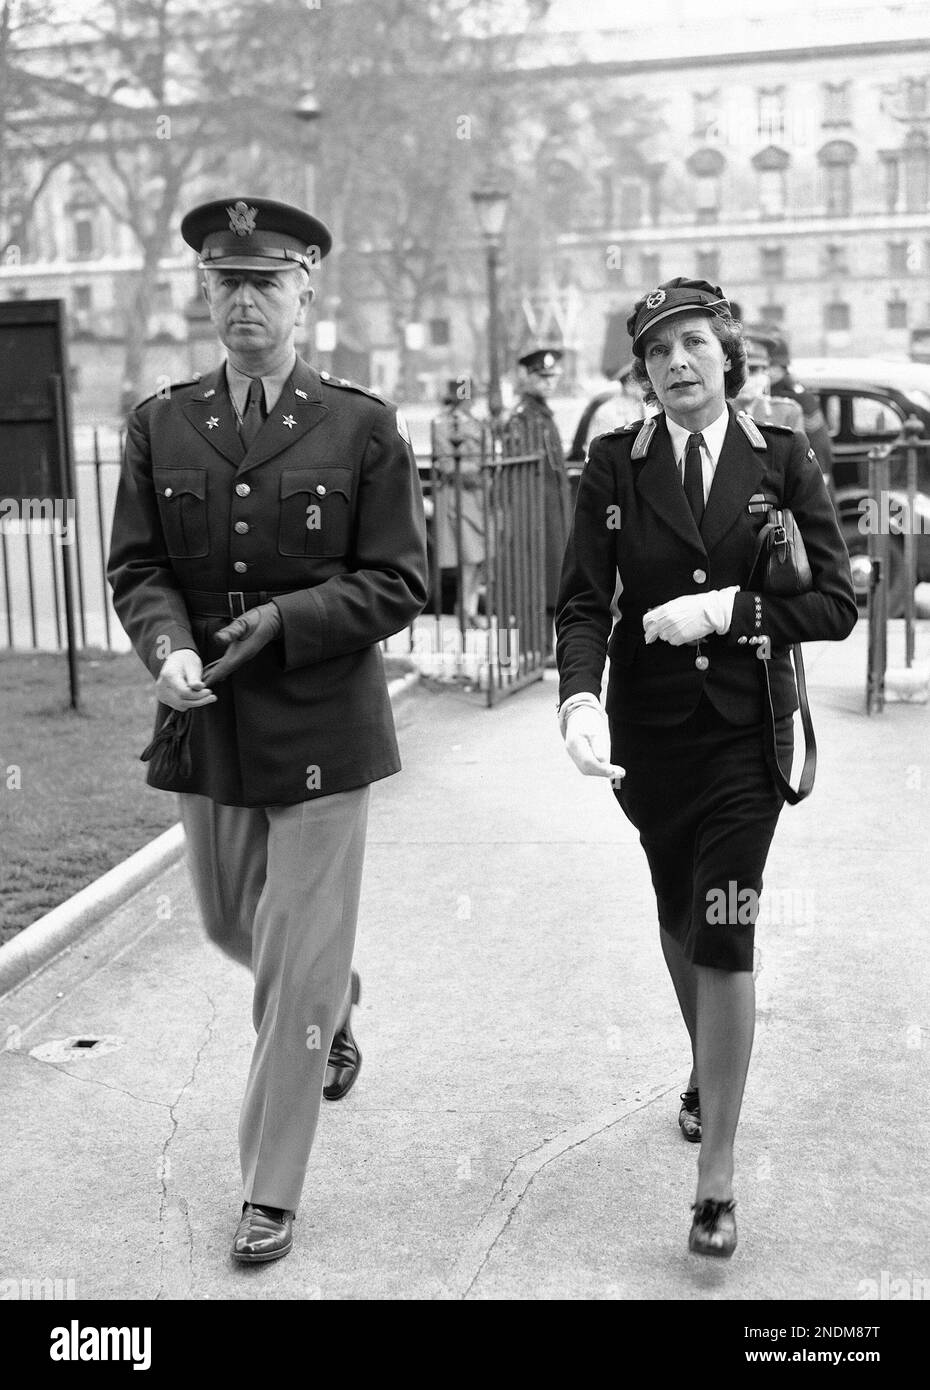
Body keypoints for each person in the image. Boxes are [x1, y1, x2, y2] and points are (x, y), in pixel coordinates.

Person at [107, 196, 428, 1264]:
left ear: (305, 292)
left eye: (266, 281)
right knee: (229, 923)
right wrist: (168, 649)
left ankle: (269, 1185)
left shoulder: (361, 425)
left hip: (326, 724)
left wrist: (288, 619)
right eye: (225, 281)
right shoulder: (160, 421)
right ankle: (336, 995)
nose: (245, 299)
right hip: (210, 720)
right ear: (204, 293)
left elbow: (399, 581)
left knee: (290, 972)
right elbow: (139, 568)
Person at [555, 277, 856, 1258]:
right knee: (681, 916)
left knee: (726, 924)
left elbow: (836, 605)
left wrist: (730, 609)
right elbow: (582, 601)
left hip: (742, 735)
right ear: (641, 375)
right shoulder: (615, 464)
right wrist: (577, 698)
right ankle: (706, 1064)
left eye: (692, 343)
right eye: (656, 353)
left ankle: (716, 1176)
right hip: (650, 742)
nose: (677, 362)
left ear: (728, 354)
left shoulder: (782, 455)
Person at [505, 346, 573, 654]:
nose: (548, 383)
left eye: (551, 377)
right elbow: (518, 473)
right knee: (536, 580)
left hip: (551, 514)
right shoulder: (523, 418)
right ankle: (535, 647)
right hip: (533, 514)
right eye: (542, 377)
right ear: (529, 377)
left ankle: (545, 646)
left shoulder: (543, 415)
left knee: (553, 578)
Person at [431, 375, 487, 625]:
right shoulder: (442, 424)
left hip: (478, 497)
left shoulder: (477, 422)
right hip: (457, 496)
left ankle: (470, 607)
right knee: (468, 555)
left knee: (479, 557)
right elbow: (445, 462)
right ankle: (465, 610)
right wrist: (474, 469)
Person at [752, 324, 834, 478]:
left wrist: (822, 475)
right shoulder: (757, 392)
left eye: (771, 367)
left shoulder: (799, 397)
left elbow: (819, 442)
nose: (768, 372)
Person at [733, 332, 805, 431]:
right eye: (738, 370)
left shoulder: (787, 412)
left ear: (765, 374)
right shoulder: (714, 414)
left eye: (753, 370)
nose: (745, 378)